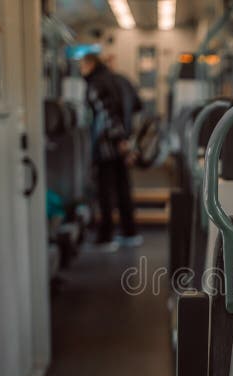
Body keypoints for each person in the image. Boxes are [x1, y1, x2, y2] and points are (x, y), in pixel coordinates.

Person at [80, 53, 143, 249]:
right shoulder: (121, 80)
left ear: (90, 64)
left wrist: (118, 139)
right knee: (123, 188)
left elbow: (107, 113)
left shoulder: (96, 84)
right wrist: (126, 137)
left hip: (107, 145)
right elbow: (137, 105)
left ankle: (106, 236)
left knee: (105, 191)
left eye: (83, 65)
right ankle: (129, 232)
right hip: (121, 142)